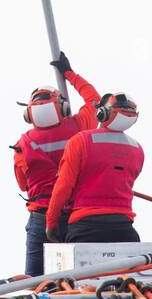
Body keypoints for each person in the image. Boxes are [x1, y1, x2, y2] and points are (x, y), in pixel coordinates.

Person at [12, 52, 101, 277]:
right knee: (75, 280)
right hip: (75, 215)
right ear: (61, 107)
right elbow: (95, 102)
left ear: (28, 114)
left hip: (40, 218)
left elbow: (23, 185)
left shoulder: (22, 144)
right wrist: (70, 74)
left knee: (32, 281)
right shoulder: (79, 128)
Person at [45, 92, 145, 246]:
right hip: (124, 229)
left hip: (85, 228)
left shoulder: (80, 141)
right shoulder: (137, 149)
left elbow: (63, 186)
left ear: (102, 113)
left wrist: (51, 223)